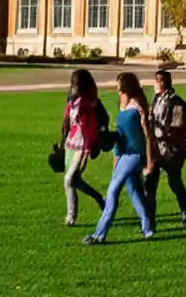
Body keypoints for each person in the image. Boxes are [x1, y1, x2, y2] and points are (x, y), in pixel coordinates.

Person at [84, 72, 156, 244]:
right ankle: (148, 228)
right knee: (134, 191)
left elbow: (148, 136)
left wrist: (149, 160)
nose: (116, 87)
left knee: (112, 191)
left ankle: (99, 234)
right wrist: (115, 156)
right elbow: (121, 134)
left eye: (118, 83)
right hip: (123, 154)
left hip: (134, 155)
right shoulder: (122, 106)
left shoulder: (137, 107)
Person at [145, 69, 186, 227]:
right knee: (150, 183)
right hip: (155, 148)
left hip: (171, 150)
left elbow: (178, 128)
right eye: (156, 80)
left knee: (174, 182)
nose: (156, 84)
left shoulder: (177, 103)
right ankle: (149, 218)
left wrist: (161, 133)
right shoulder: (156, 100)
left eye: (159, 81)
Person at [59, 68, 107, 225]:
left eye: (76, 83)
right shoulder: (71, 97)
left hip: (83, 145)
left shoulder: (91, 103)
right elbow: (67, 120)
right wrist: (62, 139)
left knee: (68, 179)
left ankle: (70, 216)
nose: (74, 86)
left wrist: (88, 150)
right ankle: (100, 198)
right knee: (75, 181)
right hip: (70, 143)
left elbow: (93, 125)